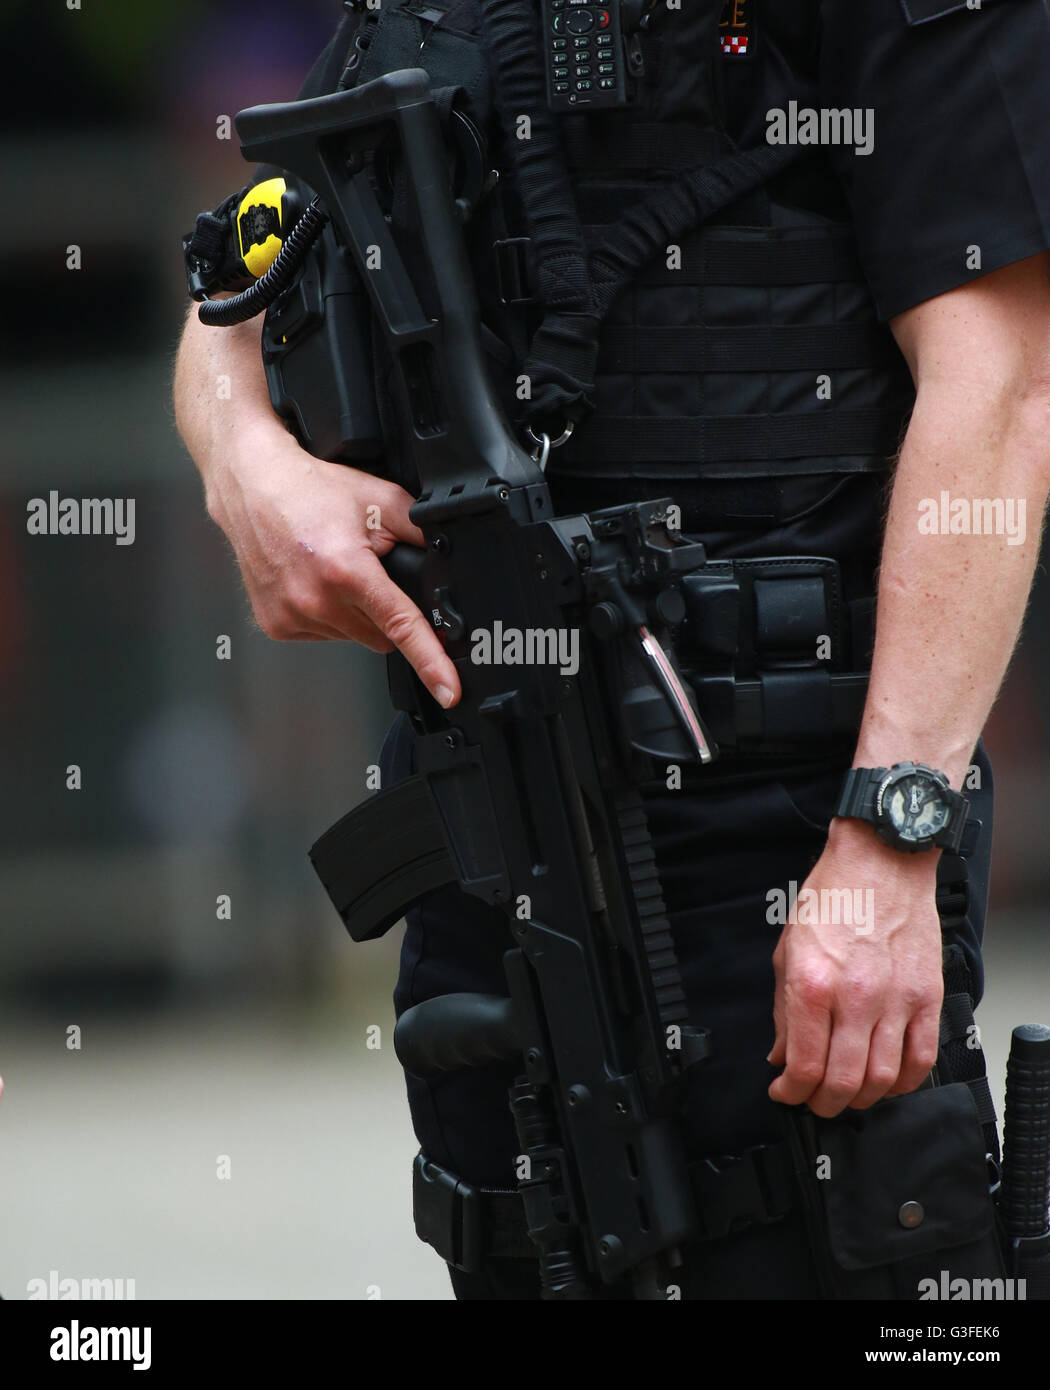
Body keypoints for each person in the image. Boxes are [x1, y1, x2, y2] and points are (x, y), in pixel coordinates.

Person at [174, 0, 1050, 1298]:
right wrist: (243, 462)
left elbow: (1002, 383)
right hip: (491, 814)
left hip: (791, 832)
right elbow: (234, 288)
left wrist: (887, 839)